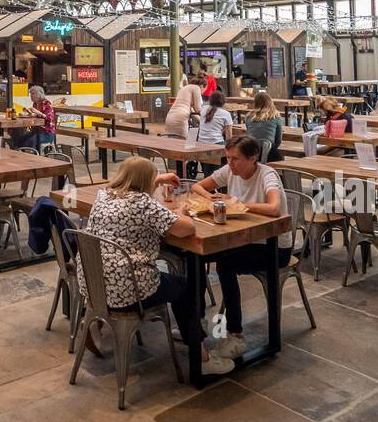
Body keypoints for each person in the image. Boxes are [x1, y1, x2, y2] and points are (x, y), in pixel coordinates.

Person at [76, 155, 233, 376]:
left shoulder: (104, 195)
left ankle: (94, 322)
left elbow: (135, 183)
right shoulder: (143, 203)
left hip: (94, 287)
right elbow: (185, 229)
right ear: (145, 183)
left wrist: (158, 180)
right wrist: (182, 213)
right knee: (187, 288)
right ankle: (202, 358)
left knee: (174, 279)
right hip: (128, 292)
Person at [192, 136, 291, 360]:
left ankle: (235, 334)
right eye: (228, 158)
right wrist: (213, 199)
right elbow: (199, 186)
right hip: (242, 239)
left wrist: (236, 204)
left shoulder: (266, 174)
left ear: (253, 157)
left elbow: (274, 207)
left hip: (273, 246)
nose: (230, 163)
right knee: (196, 255)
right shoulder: (230, 171)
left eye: (235, 158)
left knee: (225, 265)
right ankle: (197, 323)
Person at [243, 91, 284, 161]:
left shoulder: (249, 117)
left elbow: (249, 134)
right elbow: (278, 140)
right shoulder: (276, 117)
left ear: (255, 103)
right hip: (269, 151)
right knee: (280, 159)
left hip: (251, 151)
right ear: (270, 102)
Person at [15, 84, 56, 151]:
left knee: (30, 141)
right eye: (30, 94)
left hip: (47, 133)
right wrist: (30, 113)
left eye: (33, 94)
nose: (31, 96)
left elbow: (50, 119)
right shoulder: (35, 104)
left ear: (38, 94)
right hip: (36, 131)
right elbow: (36, 115)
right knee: (19, 139)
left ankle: (35, 156)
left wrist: (37, 112)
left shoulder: (46, 103)